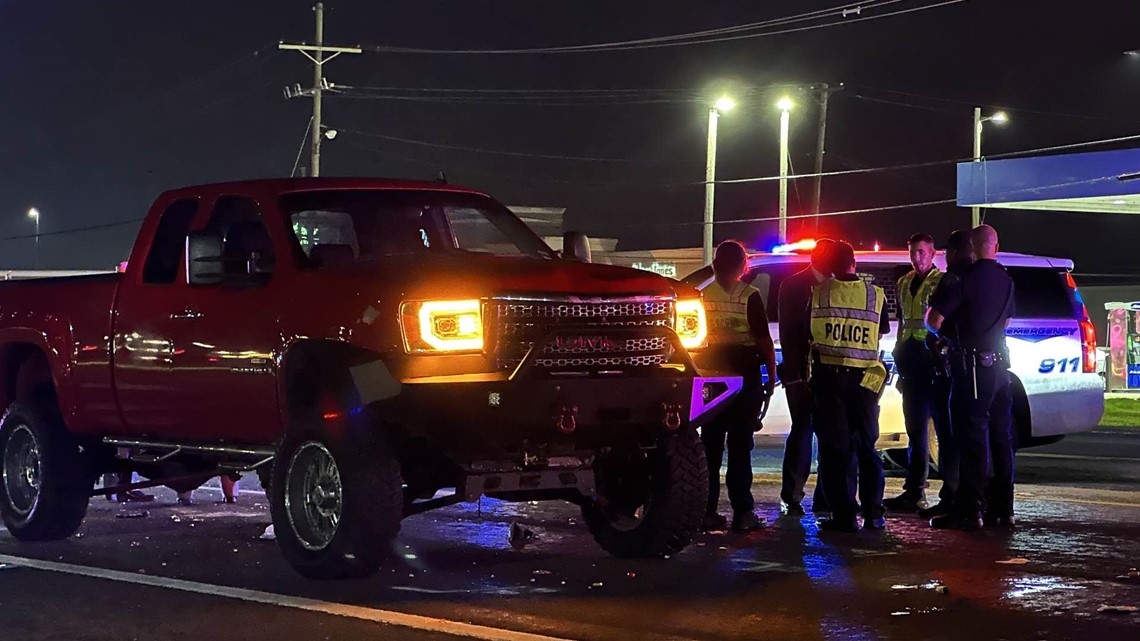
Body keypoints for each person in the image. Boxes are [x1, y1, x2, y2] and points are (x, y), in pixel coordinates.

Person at [925, 225, 1016, 530]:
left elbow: (934, 321)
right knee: (1001, 438)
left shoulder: (961, 279)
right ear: (996, 247)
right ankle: (1003, 508)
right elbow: (1006, 322)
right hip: (1000, 367)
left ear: (972, 248)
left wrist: (950, 334)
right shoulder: (1006, 279)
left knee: (971, 437)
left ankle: (969, 510)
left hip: (972, 367)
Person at [809, 241, 891, 532]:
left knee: (836, 451)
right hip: (865, 382)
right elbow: (882, 330)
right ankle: (874, 514)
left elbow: (809, 332)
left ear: (830, 266)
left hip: (830, 381)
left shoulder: (820, 293)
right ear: (854, 263)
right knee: (867, 447)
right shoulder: (875, 295)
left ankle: (844, 517)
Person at [698, 240, 778, 532]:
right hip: (744, 374)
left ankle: (705, 512)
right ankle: (743, 513)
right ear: (743, 266)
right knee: (740, 446)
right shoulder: (749, 295)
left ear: (715, 264)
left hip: (712, 372)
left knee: (710, 446)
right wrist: (771, 377)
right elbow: (764, 342)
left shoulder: (702, 295)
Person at [884, 233, 952, 513]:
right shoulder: (902, 282)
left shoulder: (942, 281)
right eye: (913, 252)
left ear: (933, 253)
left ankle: (950, 492)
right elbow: (902, 321)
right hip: (910, 360)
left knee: (943, 429)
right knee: (914, 429)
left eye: (922, 252)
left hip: (933, 359)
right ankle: (914, 491)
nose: (917, 257)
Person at [777, 238, 838, 516]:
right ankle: (792, 496)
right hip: (802, 372)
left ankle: (824, 498)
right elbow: (788, 335)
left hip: (829, 371)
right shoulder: (793, 285)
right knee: (802, 431)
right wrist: (795, 376)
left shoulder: (836, 285)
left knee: (827, 433)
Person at [916, 230, 974, 519]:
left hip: (951, 366)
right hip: (980, 368)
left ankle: (952, 495)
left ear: (951, 252)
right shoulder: (994, 277)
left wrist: (941, 339)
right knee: (975, 437)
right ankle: (976, 500)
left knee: (948, 435)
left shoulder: (953, 280)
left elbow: (934, 320)